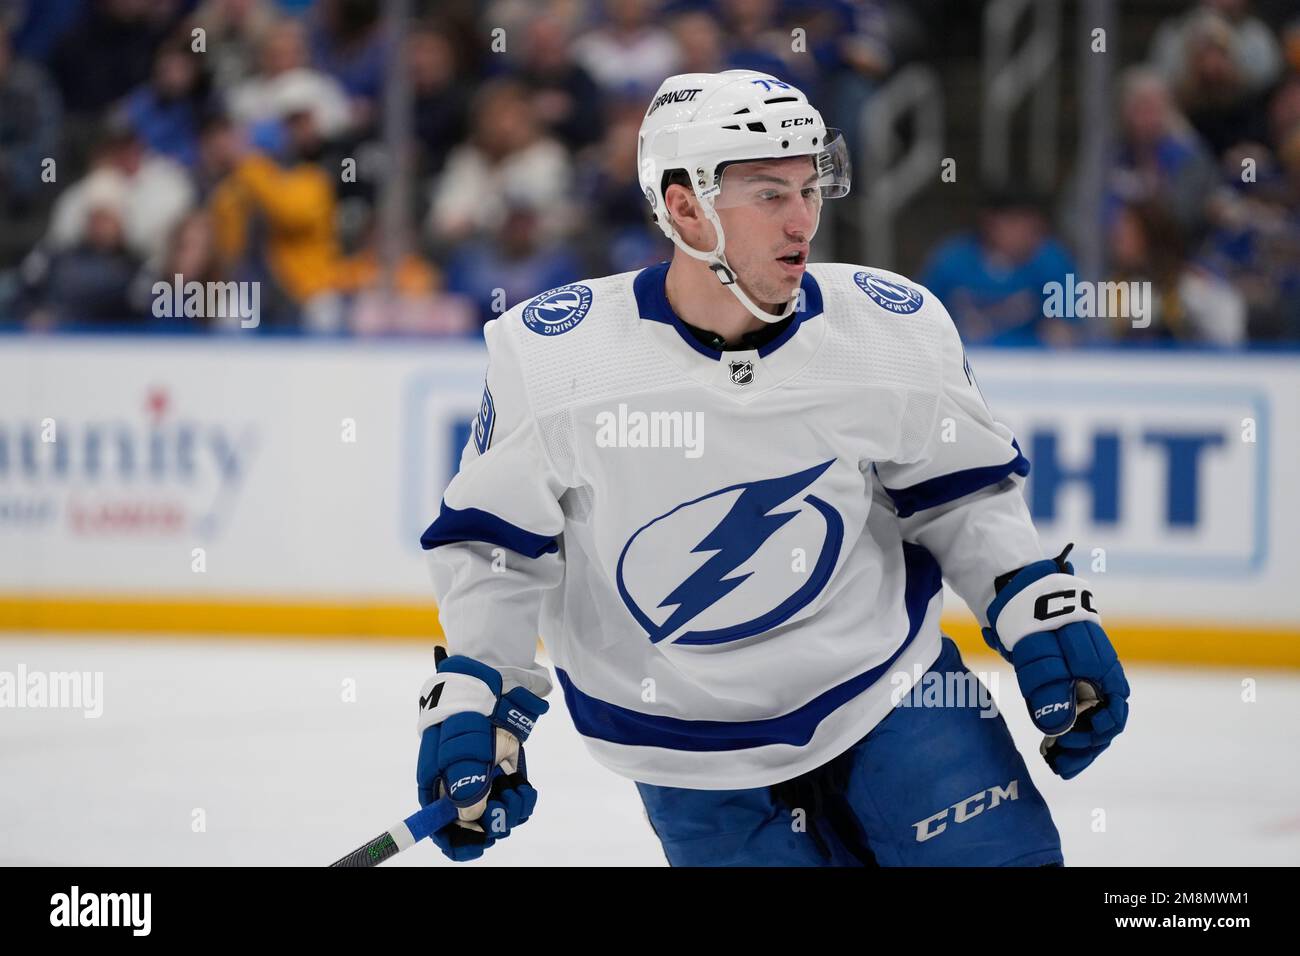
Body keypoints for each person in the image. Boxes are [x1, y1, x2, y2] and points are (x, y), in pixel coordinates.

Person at [413, 70, 1130, 866]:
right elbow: (497, 547)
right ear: (683, 207)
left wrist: (1034, 600)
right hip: (684, 750)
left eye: (808, 188)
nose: (803, 222)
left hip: (891, 693)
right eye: (768, 194)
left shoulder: (890, 327)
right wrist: (479, 693)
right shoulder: (554, 359)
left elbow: (956, 495)